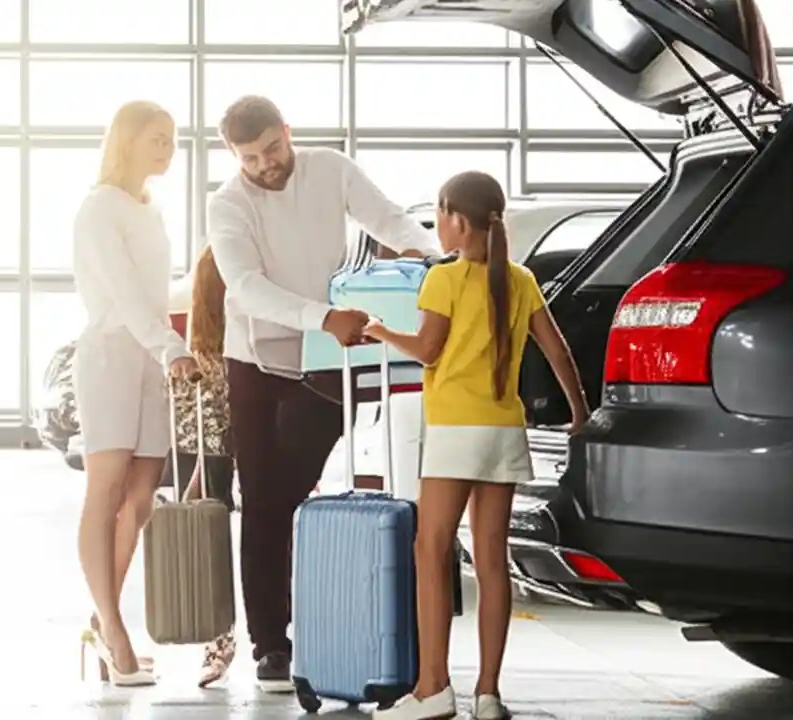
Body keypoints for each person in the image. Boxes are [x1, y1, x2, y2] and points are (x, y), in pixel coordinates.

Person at [205, 95, 439, 692]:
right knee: (260, 501)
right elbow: (246, 286)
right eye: (250, 158)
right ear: (236, 156)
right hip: (255, 359)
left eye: (272, 150)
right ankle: (270, 646)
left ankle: (333, 623)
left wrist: (429, 258)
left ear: (289, 133)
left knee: (291, 491)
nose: (264, 165)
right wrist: (322, 314)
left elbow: (387, 218)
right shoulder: (227, 203)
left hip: (326, 362)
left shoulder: (330, 169)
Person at [363, 171, 589, 720]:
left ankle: (432, 689)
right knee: (492, 560)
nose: (436, 227)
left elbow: (428, 351)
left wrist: (377, 329)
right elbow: (557, 353)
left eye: (439, 217)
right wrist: (580, 415)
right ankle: (488, 694)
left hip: (456, 432)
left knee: (431, 548)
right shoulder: (521, 279)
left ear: (457, 221)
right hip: (503, 431)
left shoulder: (444, 279)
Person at [72, 100, 200, 687]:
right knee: (107, 489)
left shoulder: (151, 210)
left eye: (172, 140)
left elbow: (155, 293)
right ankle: (114, 630)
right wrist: (170, 346)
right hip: (112, 356)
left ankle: (103, 621)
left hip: (153, 359)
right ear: (126, 140)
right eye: (157, 138)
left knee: (144, 496)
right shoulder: (101, 207)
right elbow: (124, 295)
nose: (167, 149)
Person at [168, 245, 237, 687]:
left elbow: (189, 438)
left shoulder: (195, 362)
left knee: (212, 554)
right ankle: (276, 641)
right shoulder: (239, 361)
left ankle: (219, 642)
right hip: (236, 461)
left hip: (206, 471)